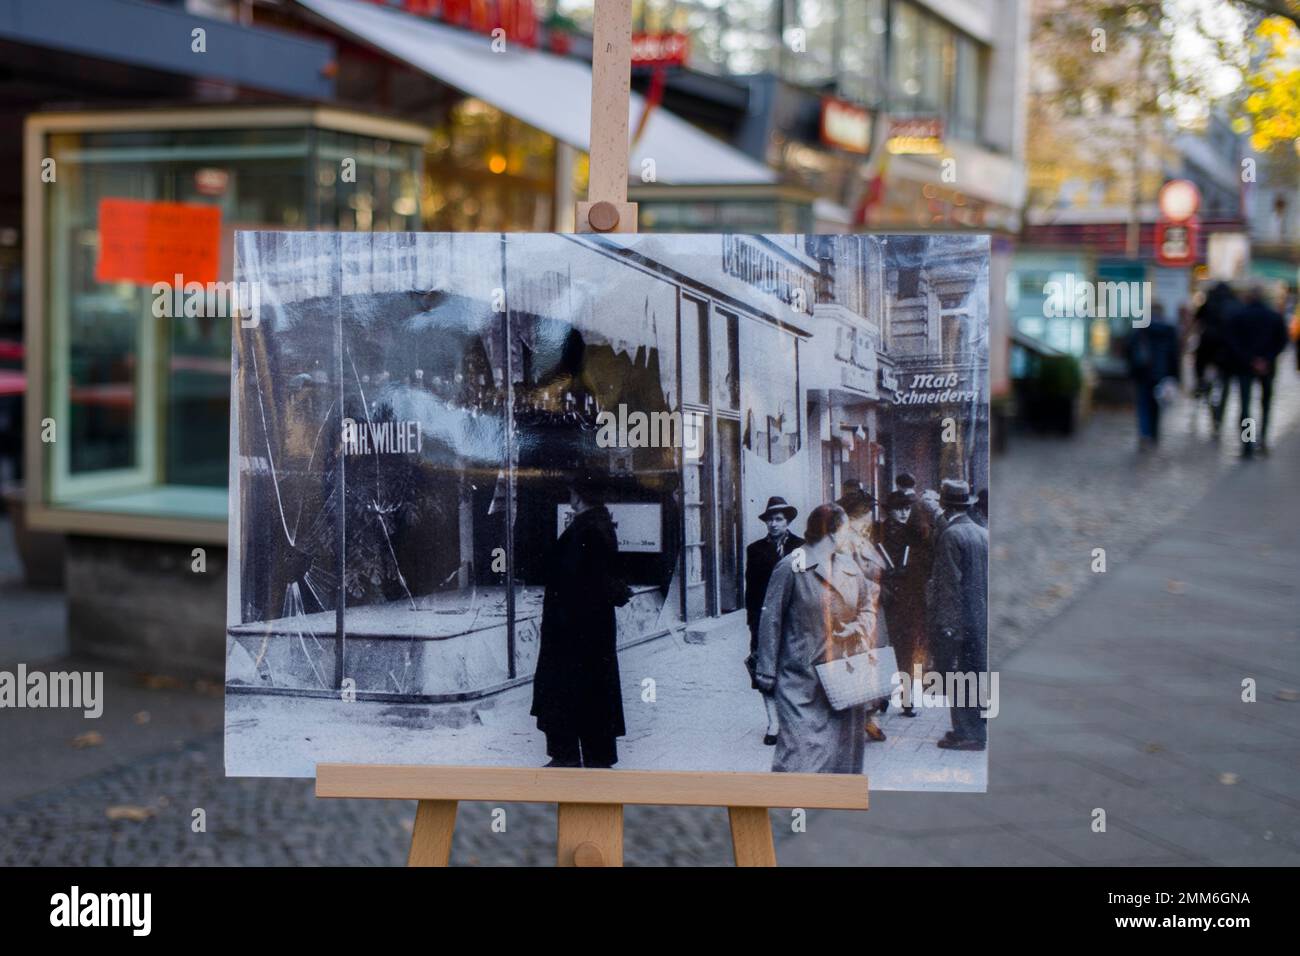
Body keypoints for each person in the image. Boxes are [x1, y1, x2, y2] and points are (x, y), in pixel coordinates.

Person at [755, 503, 877, 774]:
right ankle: (791, 812)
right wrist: (765, 672)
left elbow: (869, 606)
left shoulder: (849, 566)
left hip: (843, 679)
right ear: (834, 532)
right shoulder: (791, 566)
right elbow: (770, 618)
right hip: (801, 680)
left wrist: (857, 626)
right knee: (801, 757)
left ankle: (829, 811)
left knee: (842, 759)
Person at [530, 472, 628, 768]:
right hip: (589, 628)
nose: (569, 496)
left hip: (573, 628)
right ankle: (595, 754)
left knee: (567, 690)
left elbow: (576, 578)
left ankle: (567, 755)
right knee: (592, 690)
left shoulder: (587, 529)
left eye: (572, 491)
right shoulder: (597, 525)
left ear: (579, 495)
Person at [927, 479, 989, 751]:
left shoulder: (950, 536)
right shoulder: (981, 532)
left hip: (959, 620)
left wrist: (947, 626)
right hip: (980, 616)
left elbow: (949, 584)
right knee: (973, 673)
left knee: (958, 675)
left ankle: (969, 735)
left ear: (944, 505)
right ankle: (968, 729)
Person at [745, 496, 804, 746]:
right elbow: (751, 590)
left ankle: (792, 721)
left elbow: (805, 586)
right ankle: (773, 723)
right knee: (764, 669)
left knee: (793, 671)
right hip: (764, 619)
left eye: (778, 519)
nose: (773, 524)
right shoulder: (755, 550)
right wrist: (753, 622)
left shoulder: (801, 547)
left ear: (787, 521)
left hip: (793, 619)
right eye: (770, 519)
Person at [836, 480, 888, 741]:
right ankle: (860, 720)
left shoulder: (864, 540)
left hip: (873, 611)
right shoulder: (846, 543)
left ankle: (869, 717)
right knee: (859, 666)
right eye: (865, 519)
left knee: (871, 665)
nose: (869, 523)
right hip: (858, 612)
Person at [876, 490, 931, 717]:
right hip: (882, 598)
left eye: (907, 509)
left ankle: (907, 699)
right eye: (899, 508)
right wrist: (880, 588)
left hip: (907, 600)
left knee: (906, 650)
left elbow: (925, 565)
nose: (903, 513)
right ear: (889, 511)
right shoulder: (876, 533)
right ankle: (881, 697)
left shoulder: (915, 534)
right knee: (882, 649)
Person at [1224, 284, 1289, 458]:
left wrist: (1250, 360)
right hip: (1267, 367)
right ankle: (1263, 439)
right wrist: (1266, 359)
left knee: (1246, 405)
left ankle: (1248, 443)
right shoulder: (1274, 316)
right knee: (1265, 403)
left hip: (1245, 366)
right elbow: (1282, 341)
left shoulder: (1238, 316)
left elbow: (1232, 342)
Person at [1126, 302, 1180, 451]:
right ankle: (1154, 433)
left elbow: (1130, 349)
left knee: (1143, 404)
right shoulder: (1169, 330)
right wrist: (1175, 375)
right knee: (1156, 406)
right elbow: (1174, 355)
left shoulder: (1140, 328)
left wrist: (1131, 371)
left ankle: (1145, 433)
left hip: (1143, 372)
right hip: (1161, 373)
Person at [1194, 282, 1237, 434]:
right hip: (1226, 349)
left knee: (1204, 380)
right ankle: (1218, 414)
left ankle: (1208, 400)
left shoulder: (1209, 303)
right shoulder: (1233, 304)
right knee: (1224, 383)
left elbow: (1197, 320)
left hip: (1207, 347)